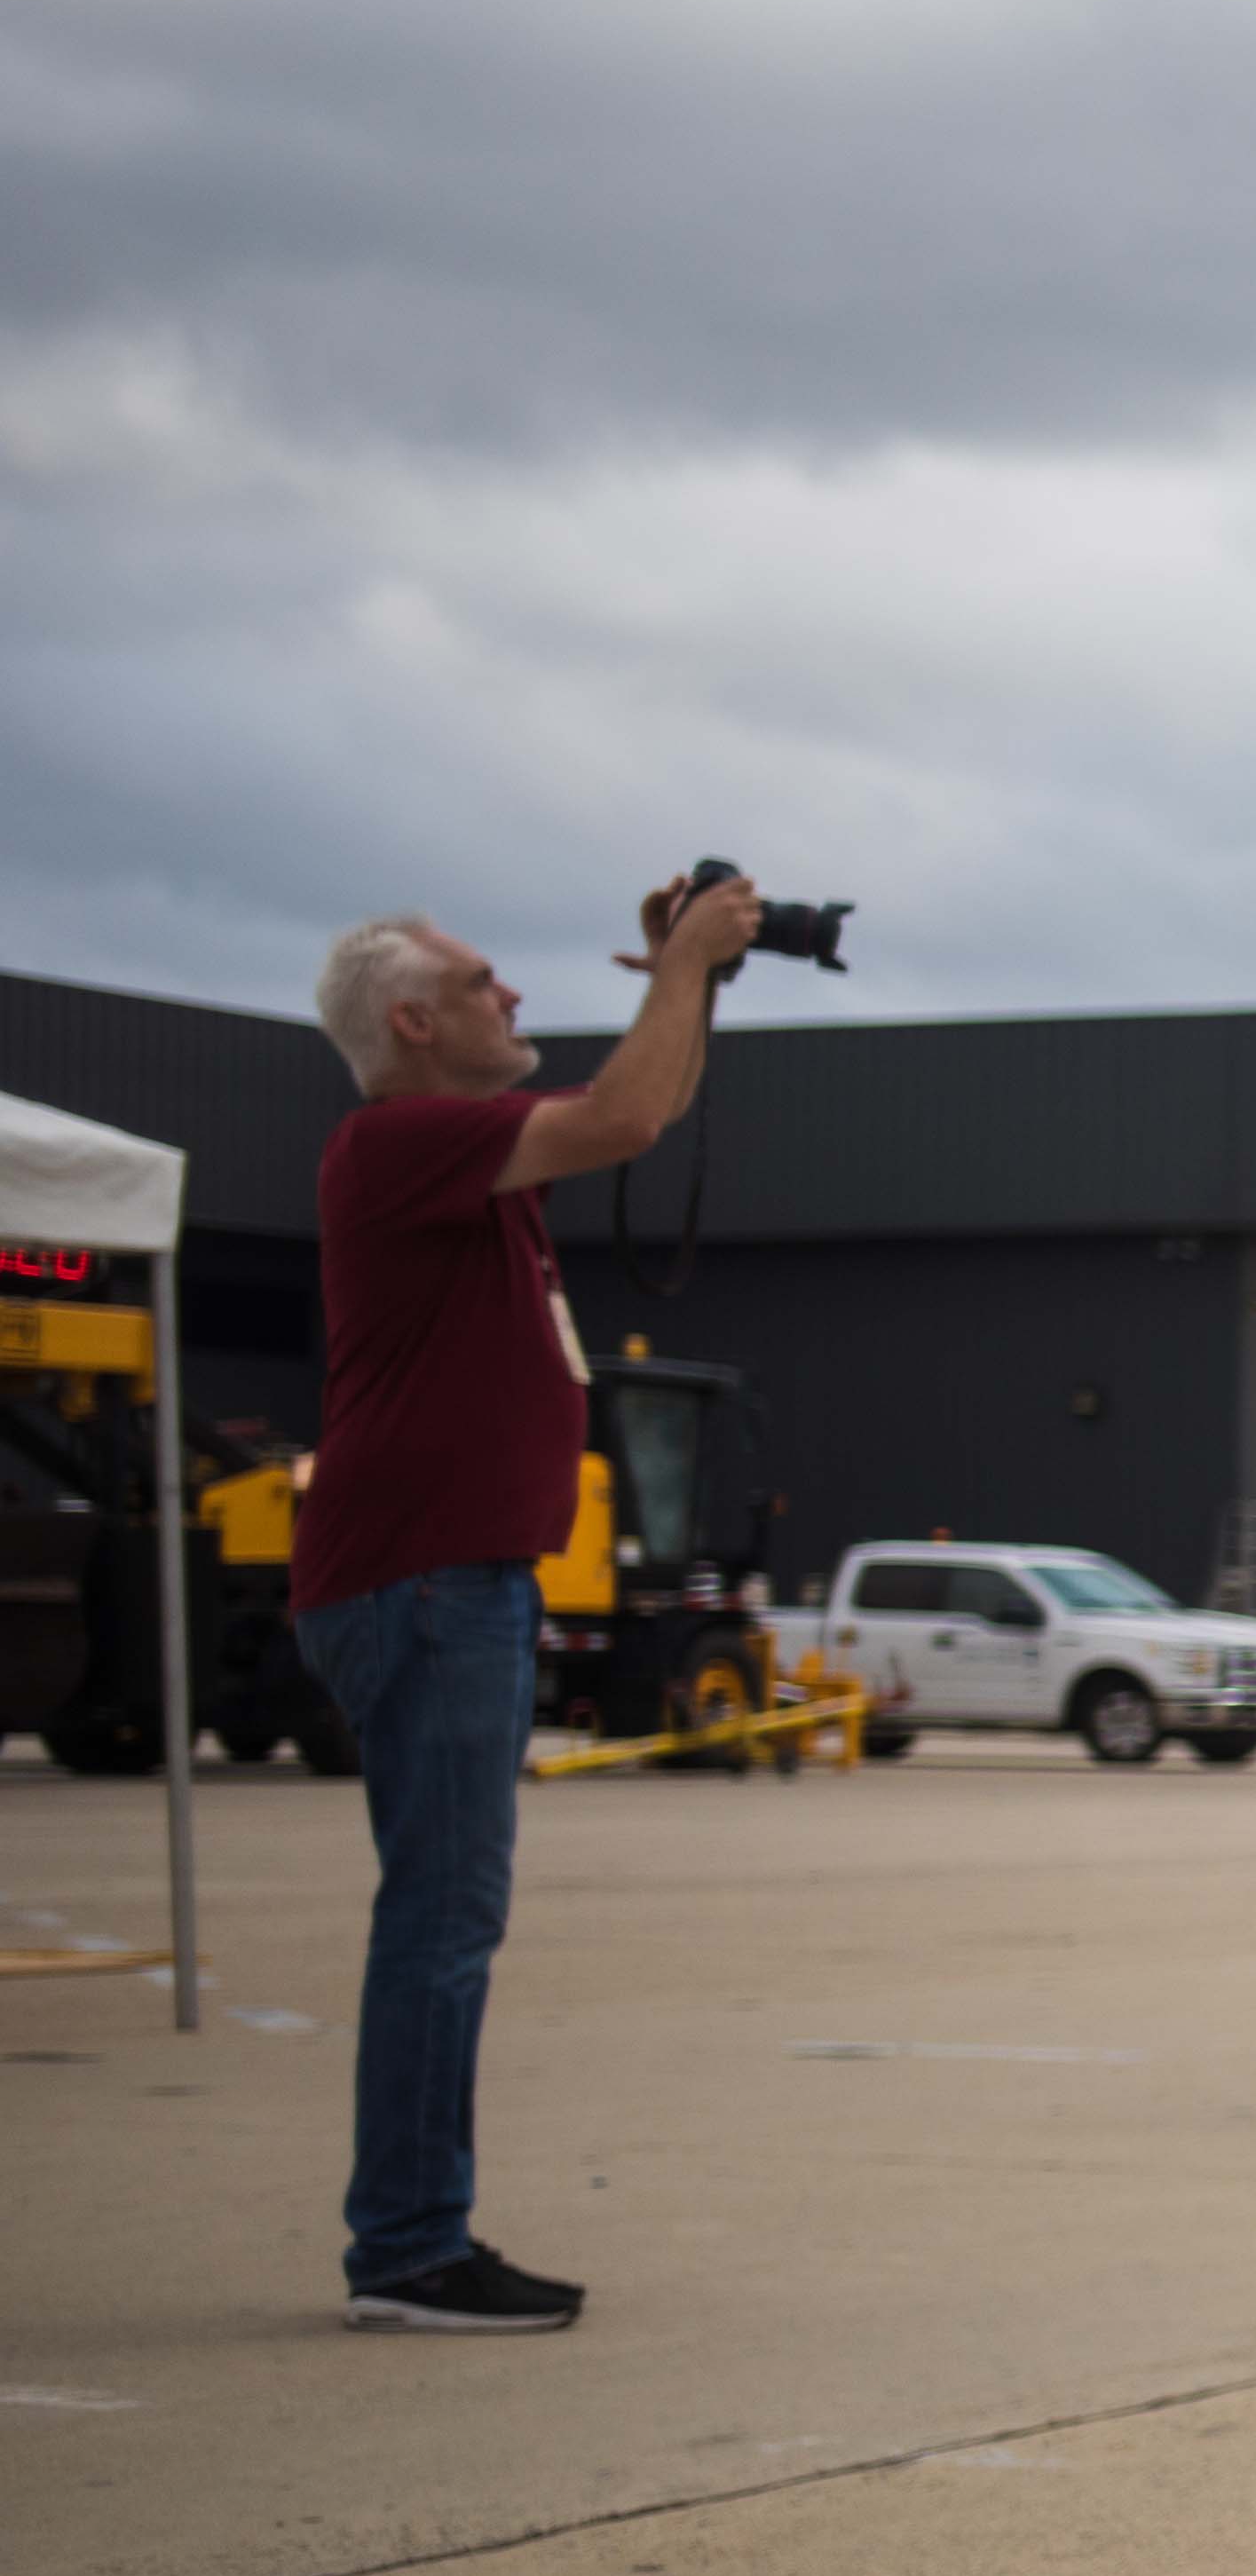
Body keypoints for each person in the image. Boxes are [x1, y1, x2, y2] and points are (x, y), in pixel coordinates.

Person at [291, 874, 759, 2329]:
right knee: (443, 1913)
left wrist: (684, 981)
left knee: (445, 1908)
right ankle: (410, 2248)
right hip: (429, 1578)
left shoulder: (451, 1155)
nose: (514, 1000)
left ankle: (412, 2234)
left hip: (443, 1576)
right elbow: (621, 1118)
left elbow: (642, 1103)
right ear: (414, 1023)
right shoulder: (403, 1139)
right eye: (489, 983)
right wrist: (678, 962)